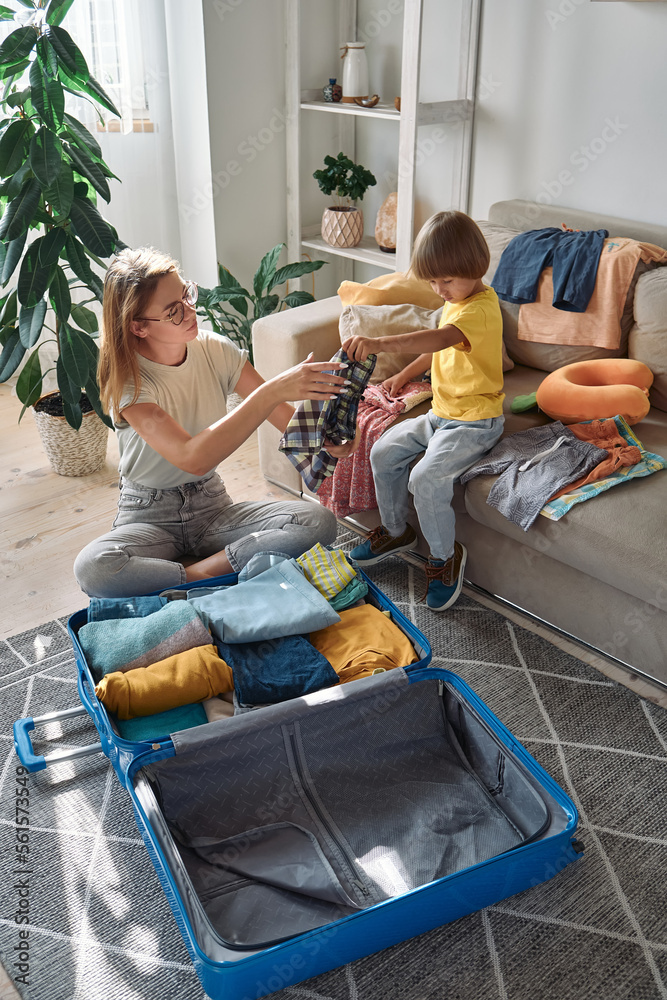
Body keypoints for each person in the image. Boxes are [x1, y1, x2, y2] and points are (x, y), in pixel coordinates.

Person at [74, 247, 353, 599]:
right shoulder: (128, 380)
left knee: (319, 522)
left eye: (186, 295)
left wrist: (331, 440)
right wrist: (271, 392)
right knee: (94, 568)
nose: (191, 311)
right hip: (148, 514)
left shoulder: (215, 350)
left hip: (210, 505)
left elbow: (290, 424)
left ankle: (189, 578)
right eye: (174, 311)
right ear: (139, 326)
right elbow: (193, 456)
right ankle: (214, 573)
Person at [341, 210, 505, 611]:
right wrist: (405, 376)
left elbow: (439, 335)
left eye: (446, 280)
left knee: (427, 478)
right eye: (432, 281)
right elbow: (438, 347)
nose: (439, 289)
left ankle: (444, 559)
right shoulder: (457, 300)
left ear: (474, 267)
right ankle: (397, 531)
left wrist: (379, 343)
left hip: (474, 423)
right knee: (382, 452)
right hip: (440, 414)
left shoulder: (479, 310)